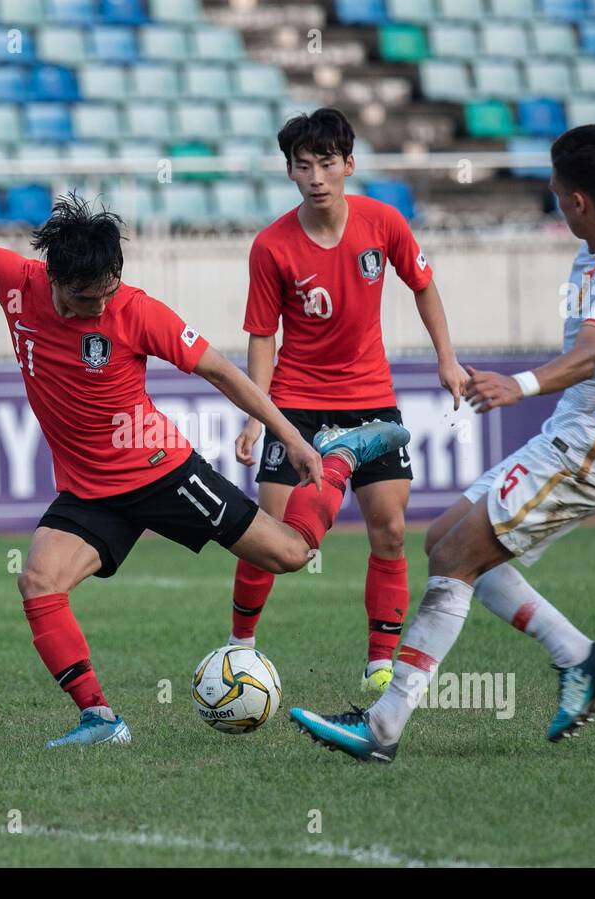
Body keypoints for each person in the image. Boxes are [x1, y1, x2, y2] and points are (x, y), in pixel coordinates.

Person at [0, 194, 410, 748]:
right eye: (87, 298)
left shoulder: (136, 310)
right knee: (38, 581)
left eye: (108, 291)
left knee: (291, 555)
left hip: (162, 472)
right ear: (53, 280)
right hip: (90, 489)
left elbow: (223, 373)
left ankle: (339, 458)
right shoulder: (13, 280)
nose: (100, 306)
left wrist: (296, 442)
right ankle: (99, 718)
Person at [289, 125, 595, 761]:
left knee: (454, 561)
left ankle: (382, 728)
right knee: (443, 537)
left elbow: (591, 351)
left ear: (580, 202)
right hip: (572, 434)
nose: (557, 204)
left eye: (558, 195)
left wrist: (519, 384)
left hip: (589, 451)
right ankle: (580, 657)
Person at [228, 108, 466, 697]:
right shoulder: (271, 247)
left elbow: (423, 284)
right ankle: (239, 650)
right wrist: (258, 419)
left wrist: (447, 358)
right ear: (288, 171)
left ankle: (380, 662)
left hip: (370, 401)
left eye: (327, 163)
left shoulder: (384, 223)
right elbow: (264, 335)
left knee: (388, 530)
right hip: (296, 405)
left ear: (349, 165)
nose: (316, 176)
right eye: (303, 165)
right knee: (270, 533)